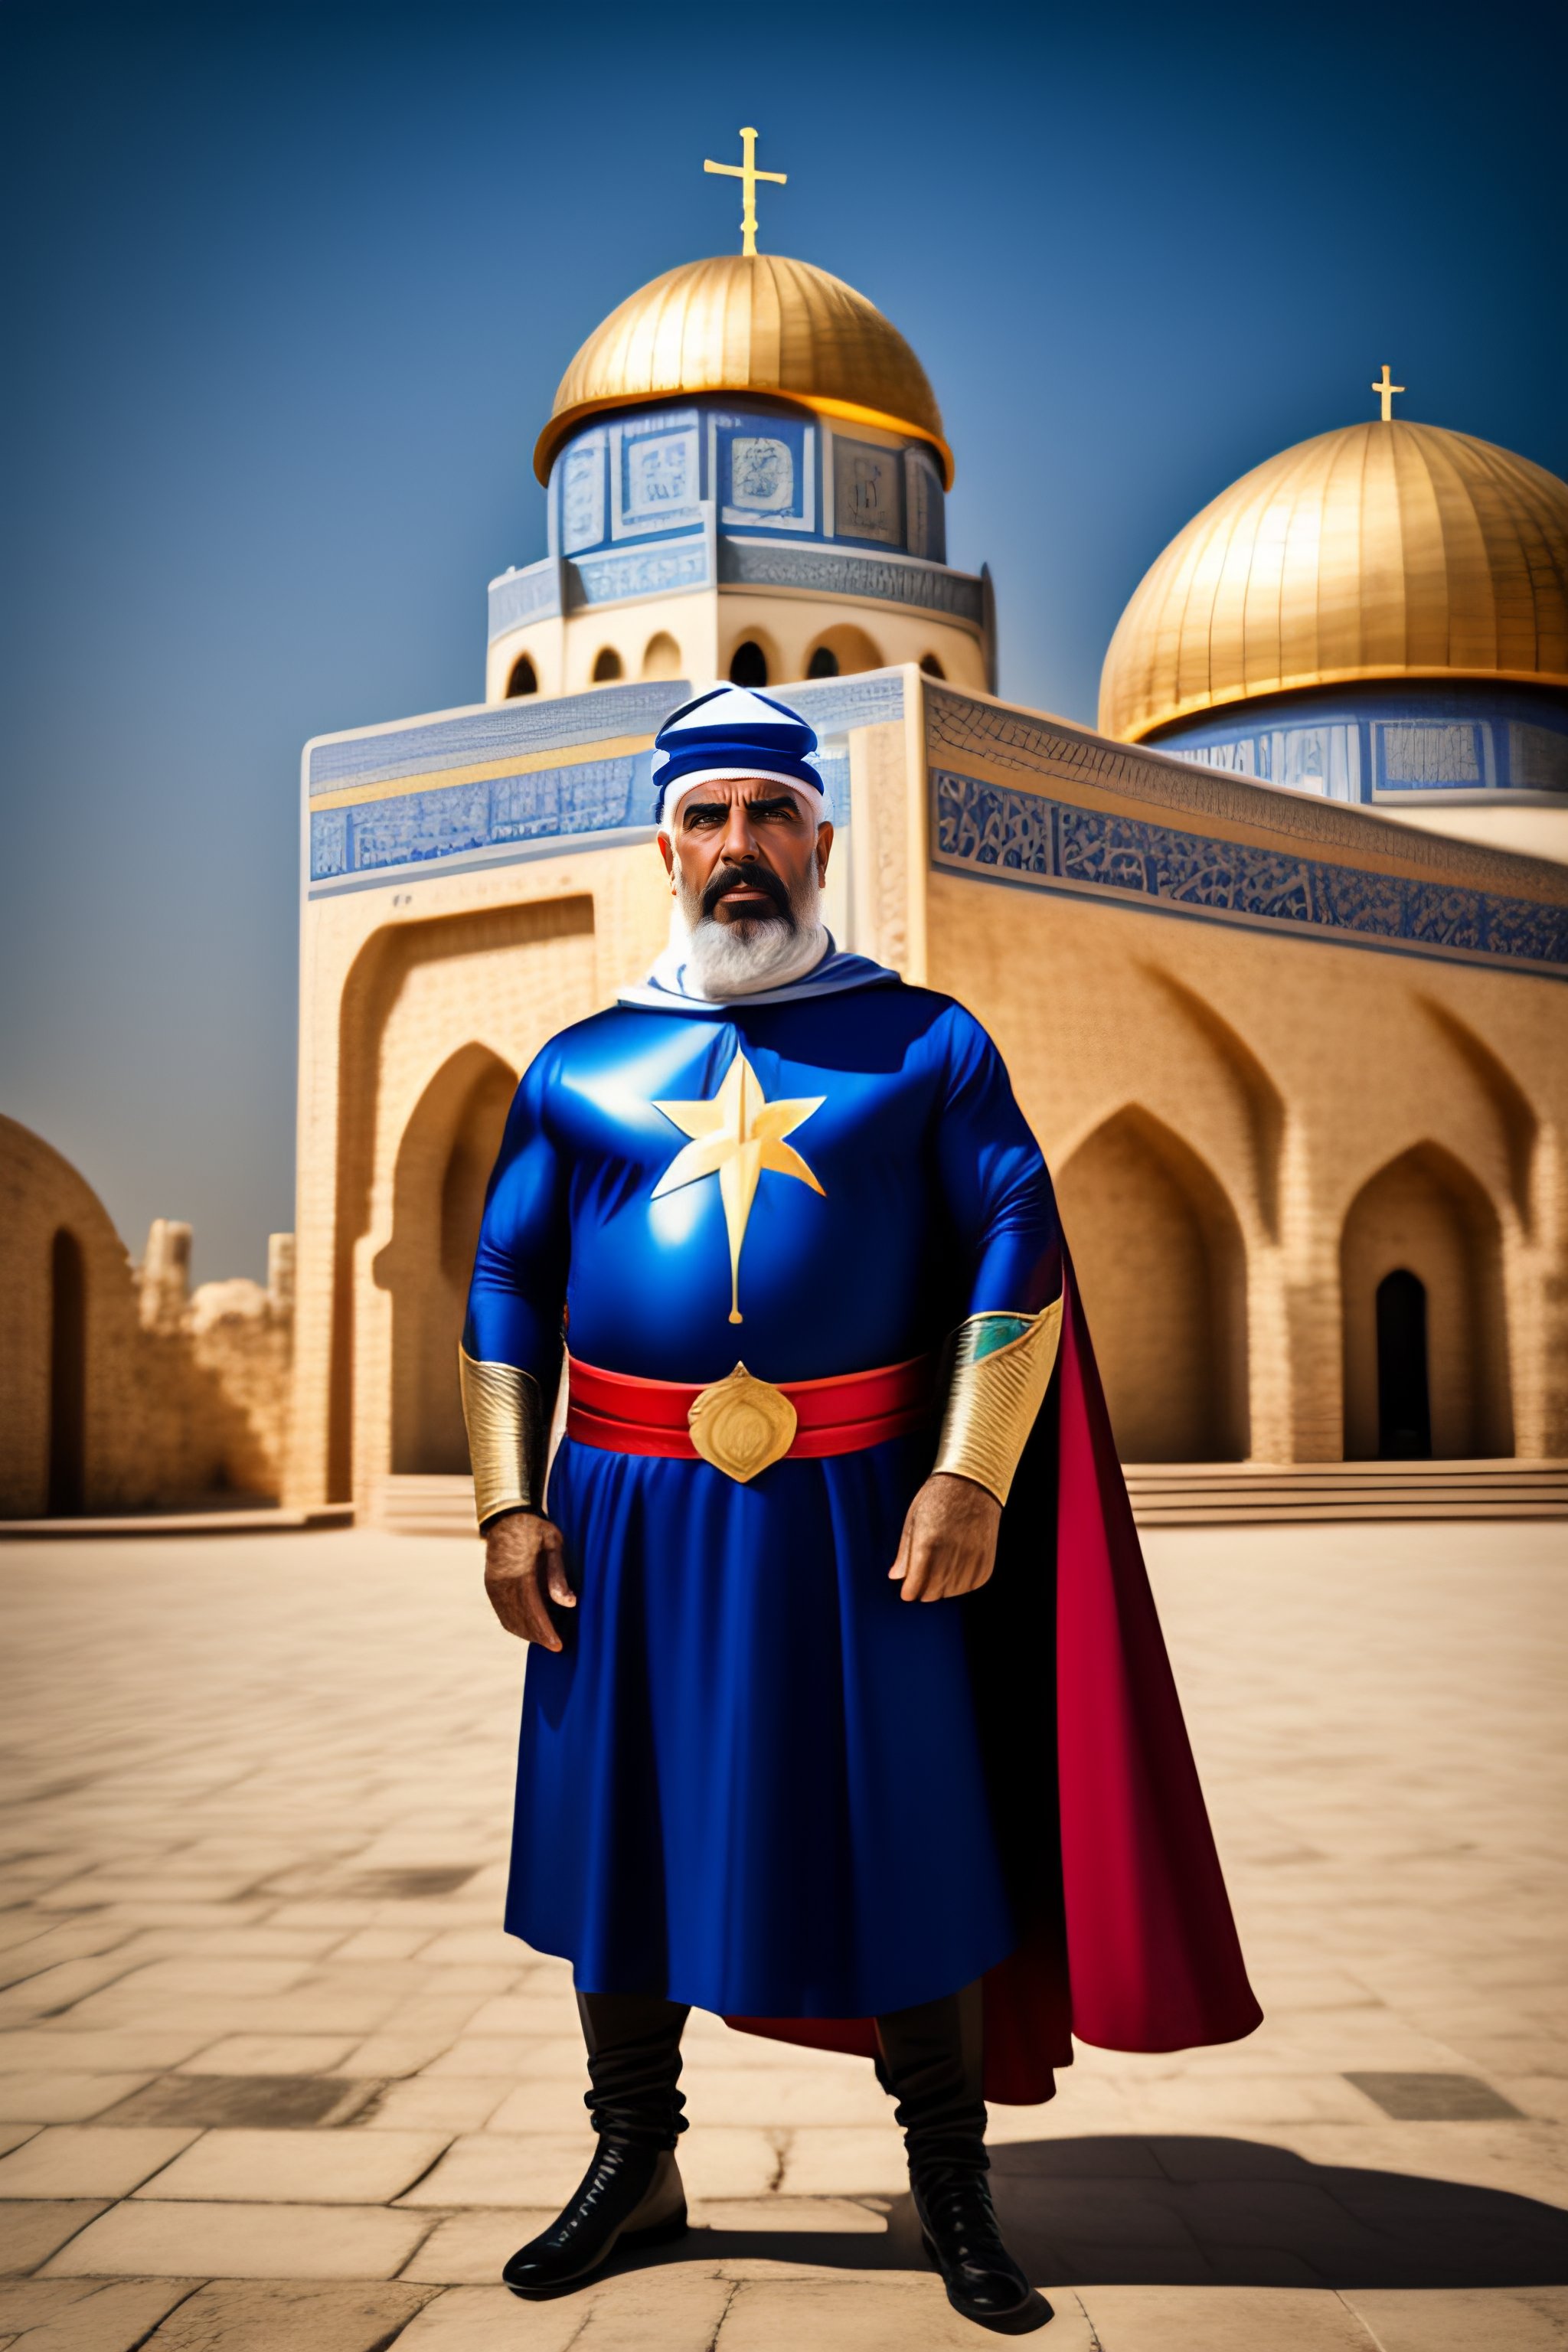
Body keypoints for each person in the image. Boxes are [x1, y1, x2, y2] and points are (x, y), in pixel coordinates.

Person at [462, 684, 1260, 2331]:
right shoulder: (581, 1065)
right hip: (625, 1512)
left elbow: (1016, 1241)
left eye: (769, 817)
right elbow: (505, 1273)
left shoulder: (924, 1043)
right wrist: (503, 1503)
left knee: (905, 1829)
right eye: (708, 820)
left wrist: (970, 1467)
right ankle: (635, 2161)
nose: (739, 852)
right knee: (629, 1831)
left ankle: (952, 2188)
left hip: (860, 1508)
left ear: (819, 838)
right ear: (662, 844)